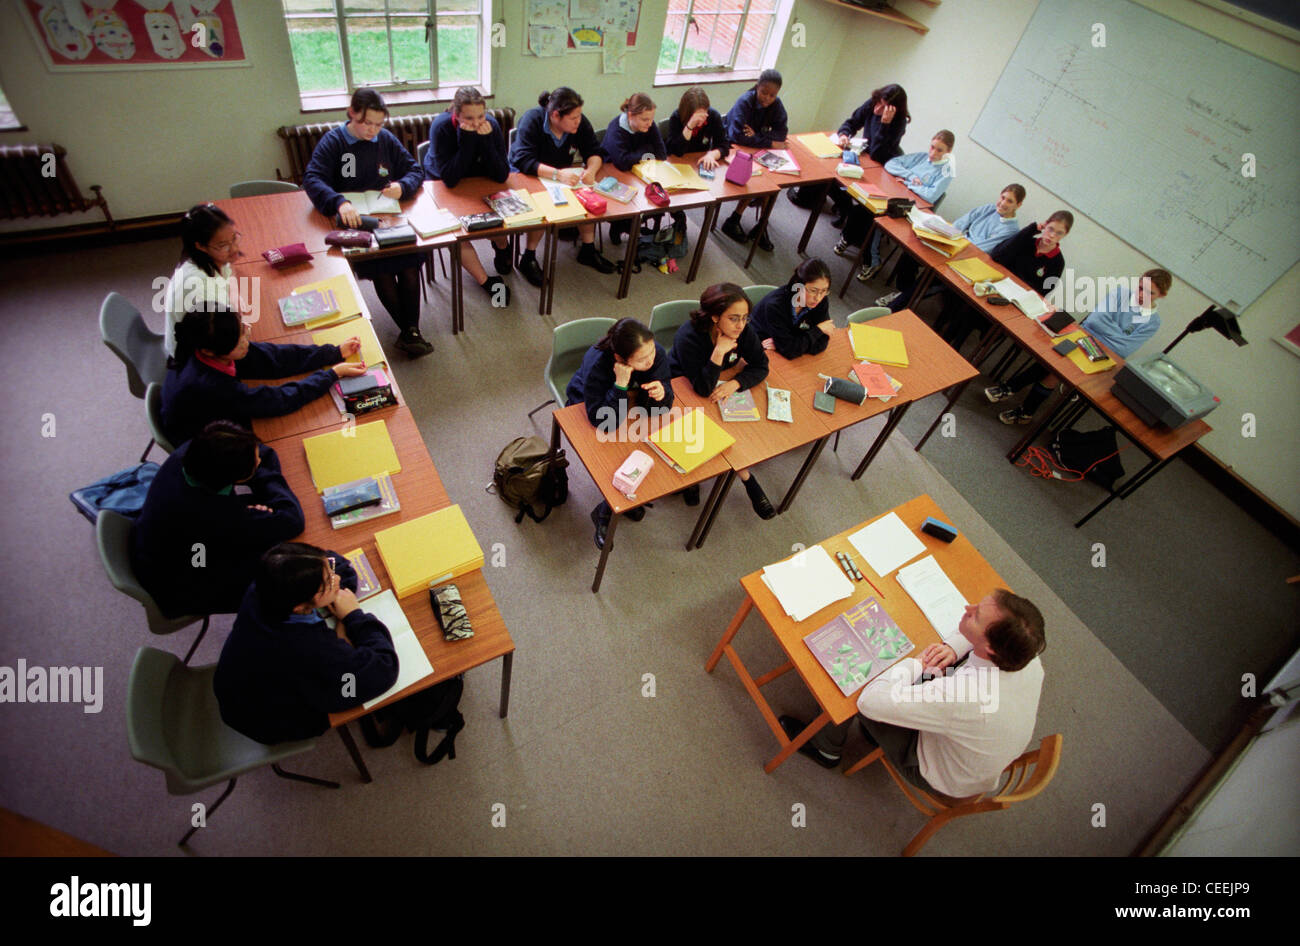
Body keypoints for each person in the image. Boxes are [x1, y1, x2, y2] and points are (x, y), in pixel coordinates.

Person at [779, 589, 1046, 802]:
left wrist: (915, 664)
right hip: (971, 750)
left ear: (990, 648)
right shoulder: (1027, 654)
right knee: (900, 677)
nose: (967, 609)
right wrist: (954, 647)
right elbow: (980, 645)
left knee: (856, 680)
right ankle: (874, 735)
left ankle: (826, 749)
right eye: (977, 605)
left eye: (975, 617)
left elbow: (870, 702)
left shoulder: (966, 697)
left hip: (933, 771)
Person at [214, 542, 400, 745]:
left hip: (237, 682)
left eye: (330, 572)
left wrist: (337, 589)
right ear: (300, 606)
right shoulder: (305, 646)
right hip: (265, 718)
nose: (336, 578)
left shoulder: (265, 585)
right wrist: (353, 615)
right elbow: (384, 670)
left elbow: (331, 559)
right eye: (328, 583)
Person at [301, 88, 432, 357]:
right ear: (352, 114)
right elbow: (312, 179)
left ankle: (410, 331)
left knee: (409, 261)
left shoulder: (384, 139)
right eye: (366, 123)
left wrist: (402, 186)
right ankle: (410, 331)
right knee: (381, 266)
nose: (373, 130)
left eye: (378, 124)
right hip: (357, 220)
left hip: (388, 213)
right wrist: (339, 201)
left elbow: (414, 170)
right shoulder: (334, 141)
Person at [130, 421, 304, 619]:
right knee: (284, 572)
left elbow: (264, 453)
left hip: (168, 543)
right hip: (185, 580)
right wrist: (250, 516)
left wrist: (247, 516)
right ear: (236, 477)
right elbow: (292, 520)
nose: (259, 459)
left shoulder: (192, 452)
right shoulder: (215, 515)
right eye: (255, 463)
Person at [987, 268, 1171, 425]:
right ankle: (1024, 408)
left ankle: (1015, 393)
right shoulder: (1120, 293)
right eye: (1140, 288)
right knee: (1054, 359)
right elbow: (1097, 321)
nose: (1141, 295)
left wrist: (1107, 327)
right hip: (1081, 336)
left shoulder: (1153, 322)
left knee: (1058, 367)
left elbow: (1123, 349)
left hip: (1103, 354)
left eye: (1150, 293)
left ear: (1161, 296)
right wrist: (1117, 333)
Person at [161, 306, 366, 447]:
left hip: (213, 414)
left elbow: (275, 357)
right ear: (210, 351)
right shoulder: (210, 385)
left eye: (242, 326)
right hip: (203, 445)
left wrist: (333, 353)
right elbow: (277, 401)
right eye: (240, 335)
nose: (248, 333)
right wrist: (331, 374)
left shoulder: (208, 343)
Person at [565, 318, 674, 549]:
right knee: (610, 453)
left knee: (649, 447)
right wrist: (621, 385)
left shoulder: (655, 354)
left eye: (652, 351)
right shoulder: (597, 364)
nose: (651, 360)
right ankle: (605, 511)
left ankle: (617, 501)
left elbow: (662, 408)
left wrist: (661, 394)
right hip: (589, 407)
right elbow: (604, 423)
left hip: (629, 405)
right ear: (620, 360)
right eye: (643, 359)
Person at [669, 283, 775, 519]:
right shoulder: (689, 337)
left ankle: (745, 476)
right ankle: (742, 480)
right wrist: (718, 353)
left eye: (745, 318)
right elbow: (702, 388)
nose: (741, 325)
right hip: (681, 387)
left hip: (720, 383)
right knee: (700, 433)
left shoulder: (743, 331)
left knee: (732, 432)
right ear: (715, 317)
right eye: (734, 318)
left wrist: (736, 383)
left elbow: (761, 366)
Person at [509, 87, 615, 282]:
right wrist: (558, 174)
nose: (579, 121)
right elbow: (522, 160)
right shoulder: (532, 120)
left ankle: (588, 249)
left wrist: (591, 171)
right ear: (556, 115)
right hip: (531, 174)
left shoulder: (578, 124)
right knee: (540, 204)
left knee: (588, 195)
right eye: (573, 118)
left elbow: (594, 151)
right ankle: (529, 257)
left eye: (579, 116)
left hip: (563, 176)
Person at [936, 210, 1075, 356]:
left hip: (1015, 302)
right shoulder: (1026, 240)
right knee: (970, 303)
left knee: (981, 315)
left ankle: (957, 347)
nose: (1052, 235)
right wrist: (1030, 229)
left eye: (1059, 233)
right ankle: (946, 341)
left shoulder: (1058, 262)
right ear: (1044, 225)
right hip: (995, 286)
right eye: (1050, 229)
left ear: (1065, 235)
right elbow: (997, 255)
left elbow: (1042, 292)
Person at [423, 86, 512, 306]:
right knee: (457, 234)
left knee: (500, 218)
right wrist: (468, 138)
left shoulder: (490, 124)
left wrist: (485, 141)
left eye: (480, 116)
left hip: (481, 183)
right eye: (469, 118)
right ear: (456, 115)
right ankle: (486, 281)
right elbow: (451, 178)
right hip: (446, 186)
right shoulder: (442, 127)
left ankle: (502, 247)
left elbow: (501, 174)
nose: (476, 122)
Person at [879, 184, 1026, 312]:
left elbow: (983, 249)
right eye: (1002, 197)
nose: (1002, 203)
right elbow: (961, 223)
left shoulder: (1011, 229)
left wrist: (957, 246)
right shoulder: (988, 208)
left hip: (968, 259)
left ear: (1018, 205)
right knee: (912, 251)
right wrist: (950, 238)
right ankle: (903, 291)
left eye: (1009, 201)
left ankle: (893, 307)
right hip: (953, 244)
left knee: (932, 273)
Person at [836, 130, 956, 281]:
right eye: (932, 147)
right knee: (861, 207)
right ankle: (848, 237)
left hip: (912, 208)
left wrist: (907, 183)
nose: (933, 153)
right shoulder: (921, 157)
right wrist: (911, 176)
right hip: (894, 194)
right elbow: (891, 164)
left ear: (948, 152)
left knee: (877, 216)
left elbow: (930, 195)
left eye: (939, 150)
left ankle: (872, 261)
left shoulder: (947, 172)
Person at [811, 83, 910, 225]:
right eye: (879, 103)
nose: (877, 109)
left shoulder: (898, 123)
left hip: (881, 165)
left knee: (845, 179)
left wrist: (885, 125)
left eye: (883, 107)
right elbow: (852, 123)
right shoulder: (873, 103)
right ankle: (845, 207)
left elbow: (877, 154)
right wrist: (844, 134)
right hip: (864, 155)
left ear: (893, 110)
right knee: (829, 172)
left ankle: (848, 211)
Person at [721, 69, 788, 251]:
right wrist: (768, 139)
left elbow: (782, 134)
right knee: (755, 178)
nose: (767, 98)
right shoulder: (745, 101)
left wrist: (758, 135)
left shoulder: (776, 105)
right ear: (757, 87)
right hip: (734, 149)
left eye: (772, 95)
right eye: (764, 92)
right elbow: (737, 136)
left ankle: (762, 224)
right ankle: (734, 218)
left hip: (758, 149)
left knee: (771, 182)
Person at [164, 203, 243, 358]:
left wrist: (234, 305)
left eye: (234, 238)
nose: (234, 249)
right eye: (223, 245)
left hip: (208, 340)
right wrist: (237, 316)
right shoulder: (201, 291)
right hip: (196, 355)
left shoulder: (206, 259)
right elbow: (223, 346)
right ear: (201, 246)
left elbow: (230, 276)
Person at [602, 92, 667, 244]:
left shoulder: (648, 125)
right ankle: (620, 225)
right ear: (630, 115)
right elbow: (622, 163)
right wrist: (646, 149)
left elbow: (662, 154)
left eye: (651, 119)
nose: (650, 124)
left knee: (654, 196)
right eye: (645, 119)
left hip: (637, 173)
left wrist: (636, 154)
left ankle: (635, 224)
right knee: (630, 204)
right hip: (611, 176)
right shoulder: (616, 128)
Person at [749, 258, 835, 360]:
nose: (818, 297)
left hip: (786, 349)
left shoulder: (821, 302)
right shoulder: (776, 306)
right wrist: (817, 331)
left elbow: (822, 343)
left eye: (824, 291)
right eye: (813, 290)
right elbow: (790, 351)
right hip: (757, 347)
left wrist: (786, 345)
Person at [665, 86, 730, 170]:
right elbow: (676, 152)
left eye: (704, 114)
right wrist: (690, 126)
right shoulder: (676, 117)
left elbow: (724, 146)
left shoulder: (713, 116)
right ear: (688, 114)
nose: (701, 120)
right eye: (697, 117)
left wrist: (712, 155)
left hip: (700, 163)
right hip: (680, 164)